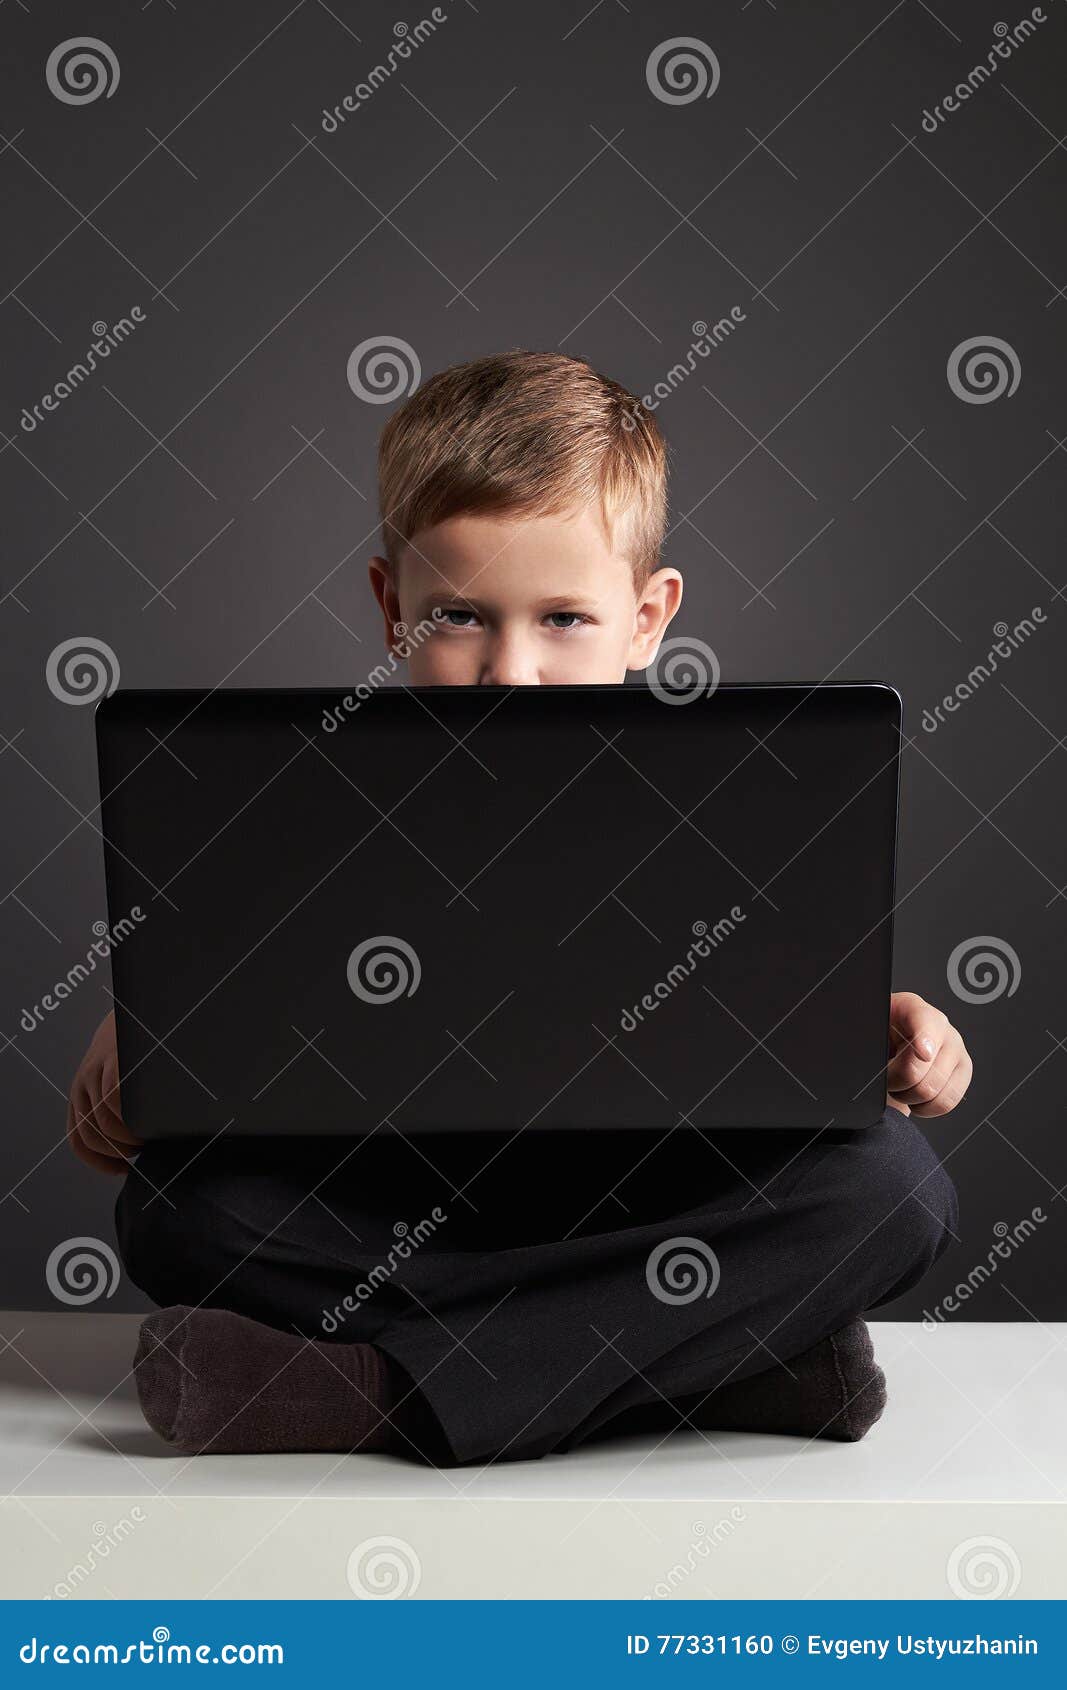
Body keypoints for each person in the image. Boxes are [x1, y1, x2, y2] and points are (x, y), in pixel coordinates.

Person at [67, 352, 970, 1466]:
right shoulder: (308, 795)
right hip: (401, 1214)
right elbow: (257, 996)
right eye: (458, 615)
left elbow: (772, 992)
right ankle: (711, 1368)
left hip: (643, 1214)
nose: (510, 670)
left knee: (890, 1189)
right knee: (178, 1206)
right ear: (390, 607)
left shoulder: (722, 796)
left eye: (563, 619)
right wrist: (162, 1036)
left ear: (646, 617)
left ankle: (370, 1394)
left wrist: (864, 1029)